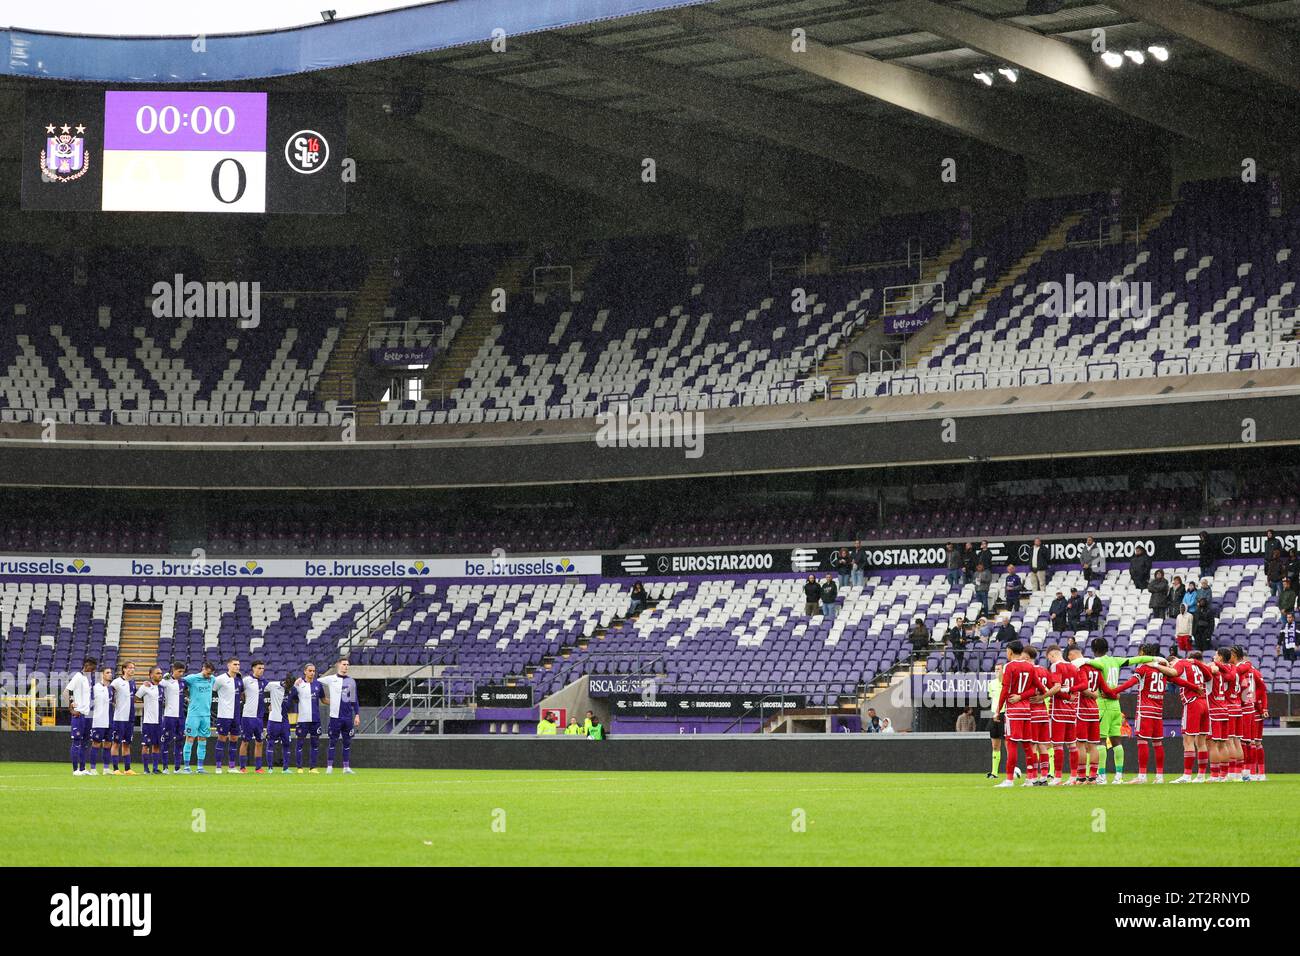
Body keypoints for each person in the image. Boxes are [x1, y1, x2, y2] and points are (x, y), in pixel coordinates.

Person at [1099, 642, 1195, 784]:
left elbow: (1130, 683)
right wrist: (1195, 687)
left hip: (1145, 710)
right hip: (1158, 711)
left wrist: (1113, 691)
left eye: (1139, 652)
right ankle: (1159, 776)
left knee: (1142, 741)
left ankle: (1142, 776)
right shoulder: (1162, 669)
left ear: (1143, 653)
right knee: (1158, 743)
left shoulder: (1143, 668)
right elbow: (1178, 680)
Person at [1079, 637, 1158, 784]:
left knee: (1100, 741)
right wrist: (1155, 658)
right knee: (1117, 741)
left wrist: (1081, 661)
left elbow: (1084, 663)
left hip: (1102, 704)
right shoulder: (1116, 660)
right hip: (1116, 705)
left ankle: (1101, 776)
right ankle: (1118, 776)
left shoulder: (1098, 663)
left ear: (1094, 650)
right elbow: (1135, 660)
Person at [992, 640, 1048, 787]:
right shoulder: (1030, 667)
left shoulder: (1009, 666)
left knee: (1011, 744)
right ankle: (1031, 778)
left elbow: (1005, 690)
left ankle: (1009, 779)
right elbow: (1040, 688)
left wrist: (998, 710)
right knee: (1028, 745)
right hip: (1027, 711)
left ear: (1010, 652)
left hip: (1013, 712)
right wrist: (1024, 696)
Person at [1168, 647, 1213, 784]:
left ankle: (1187, 775)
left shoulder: (1180, 663)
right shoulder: (1196, 665)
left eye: (1170, 664)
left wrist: (1161, 668)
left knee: (1188, 740)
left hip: (1192, 703)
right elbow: (1210, 676)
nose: (1171, 667)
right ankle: (1200, 776)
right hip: (1205, 703)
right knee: (1201, 742)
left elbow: (1173, 675)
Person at [1066, 645, 1103, 784]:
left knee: (1080, 744)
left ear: (1071, 655)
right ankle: (1093, 777)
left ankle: (1081, 777)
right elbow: (1103, 689)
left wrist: (1069, 689)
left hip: (1082, 710)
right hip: (1094, 710)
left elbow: (1084, 685)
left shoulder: (1079, 668)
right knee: (1093, 745)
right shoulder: (1096, 668)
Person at [1044, 644, 1078, 784]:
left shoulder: (1056, 666)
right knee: (1072, 746)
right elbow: (1077, 688)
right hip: (1071, 711)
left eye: (1049, 658)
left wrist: (1043, 695)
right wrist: (1071, 698)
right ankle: (1073, 777)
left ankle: (1057, 777)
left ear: (1052, 655)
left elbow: (1056, 688)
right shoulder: (1073, 667)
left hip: (1058, 711)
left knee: (1057, 745)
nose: (1050, 662)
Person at [320, 657, 361, 774]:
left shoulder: (351, 681)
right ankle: (329, 767)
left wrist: (357, 714)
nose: (346, 666)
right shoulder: (330, 679)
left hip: (348, 717)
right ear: (338, 665)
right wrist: (301, 680)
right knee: (332, 741)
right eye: (344, 664)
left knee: (347, 742)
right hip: (335, 717)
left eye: (347, 664)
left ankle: (346, 767)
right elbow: (314, 682)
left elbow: (354, 700)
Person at [180, 661, 217, 774]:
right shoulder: (192, 678)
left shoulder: (212, 679)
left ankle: (200, 767)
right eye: (207, 673)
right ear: (203, 668)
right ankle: (186, 767)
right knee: (190, 738)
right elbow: (178, 682)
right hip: (193, 714)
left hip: (206, 715)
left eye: (210, 674)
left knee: (203, 739)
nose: (208, 675)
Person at [292, 663, 326, 772]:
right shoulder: (299, 683)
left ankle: (313, 767)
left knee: (315, 744)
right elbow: (291, 697)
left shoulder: (318, 685)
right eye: (310, 671)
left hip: (315, 719)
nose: (312, 673)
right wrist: (294, 685)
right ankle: (299, 767)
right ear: (305, 671)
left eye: (314, 671)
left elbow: (324, 700)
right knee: (300, 744)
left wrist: (337, 702)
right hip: (302, 719)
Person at [66, 656, 96, 776]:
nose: (93, 670)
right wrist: (71, 709)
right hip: (78, 715)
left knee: (85, 743)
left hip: (86, 715)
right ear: (86, 665)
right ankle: (75, 770)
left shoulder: (88, 680)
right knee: (77, 742)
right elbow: (66, 691)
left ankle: (83, 769)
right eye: (92, 668)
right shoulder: (78, 676)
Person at [212, 657, 242, 774]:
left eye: (238, 664)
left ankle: (232, 766)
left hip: (236, 715)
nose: (237, 666)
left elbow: (241, 693)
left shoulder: (239, 680)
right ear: (228, 665)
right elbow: (214, 690)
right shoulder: (220, 679)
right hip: (224, 715)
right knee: (222, 739)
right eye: (235, 664)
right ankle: (218, 767)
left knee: (234, 739)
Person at [238, 660, 268, 774]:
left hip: (259, 717)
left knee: (260, 742)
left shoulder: (264, 682)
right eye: (259, 668)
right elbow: (239, 691)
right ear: (253, 668)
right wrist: (243, 699)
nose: (261, 670)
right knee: (245, 741)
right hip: (248, 716)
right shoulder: (246, 680)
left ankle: (258, 767)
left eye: (263, 668)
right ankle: (242, 767)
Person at [134, 666, 165, 775]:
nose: (160, 675)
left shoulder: (162, 687)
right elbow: (136, 697)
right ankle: (146, 769)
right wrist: (144, 703)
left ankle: (155, 768)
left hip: (159, 722)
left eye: (161, 673)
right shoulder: (145, 686)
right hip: (148, 721)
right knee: (146, 745)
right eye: (157, 673)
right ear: (151, 675)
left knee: (156, 746)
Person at [109, 661, 137, 775]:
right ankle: (115, 769)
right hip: (119, 717)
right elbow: (109, 693)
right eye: (129, 668)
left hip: (130, 718)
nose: (132, 670)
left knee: (127, 743)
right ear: (124, 669)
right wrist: (114, 702)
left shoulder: (133, 683)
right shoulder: (117, 682)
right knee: (116, 743)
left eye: (133, 668)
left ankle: (127, 769)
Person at [159, 662, 186, 773]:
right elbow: (156, 683)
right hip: (169, 716)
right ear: (173, 670)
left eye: (182, 672)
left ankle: (177, 768)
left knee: (179, 741)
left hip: (181, 716)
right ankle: (165, 767)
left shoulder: (183, 683)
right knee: (166, 741)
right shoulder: (166, 681)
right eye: (179, 671)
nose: (181, 674)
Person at [88, 667, 114, 775]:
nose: (110, 674)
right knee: (96, 744)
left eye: (111, 673)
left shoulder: (112, 688)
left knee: (108, 745)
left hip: (110, 720)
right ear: (102, 675)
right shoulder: (95, 688)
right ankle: (93, 769)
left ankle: (106, 768)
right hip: (98, 721)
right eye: (107, 672)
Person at [265, 675, 293, 773]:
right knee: (271, 743)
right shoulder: (273, 685)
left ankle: (285, 768)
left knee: (287, 744)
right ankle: (270, 768)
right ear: (285, 682)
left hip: (285, 721)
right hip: (274, 720)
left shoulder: (292, 690)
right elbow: (261, 689)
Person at [985, 662, 1007, 779]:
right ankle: (994, 772)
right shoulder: (991, 684)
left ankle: (1010, 772)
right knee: (995, 745)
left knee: (1009, 745)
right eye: (995, 669)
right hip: (994, 715)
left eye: (999, 669)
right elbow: (993, 699)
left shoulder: (1008, 683)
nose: (997, 671)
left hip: (1005, 715)